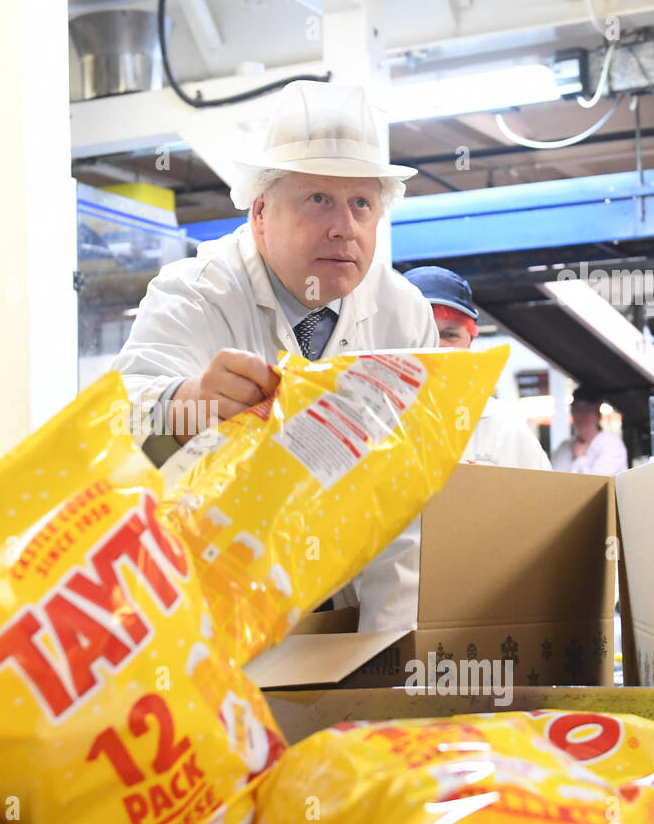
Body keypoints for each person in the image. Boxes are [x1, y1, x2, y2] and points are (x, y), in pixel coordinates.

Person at [112, 80, 437, 635]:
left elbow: (414, 498)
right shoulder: (194, 295)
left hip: (351, 609)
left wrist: (392, 656)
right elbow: (121, 437)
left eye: (362, 203)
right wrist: (186, 404)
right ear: (260, 211)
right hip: (214, 609)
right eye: (319, 199)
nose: (345, 226)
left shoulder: (402, 314)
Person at [403, 266, 551, 470]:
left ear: (470, 340)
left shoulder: (504, 427)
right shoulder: (372, 424)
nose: (437, 347)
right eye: (423, 334)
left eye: (450, 335)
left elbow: (545, 497)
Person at [552, 385, 629, 474]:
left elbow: (596, 484)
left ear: (598, 414)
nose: (580, 416)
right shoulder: (564, 447)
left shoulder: (612, 444)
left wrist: (579, 458)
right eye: (576, 409)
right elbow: (554, 481)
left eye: (586, 409)